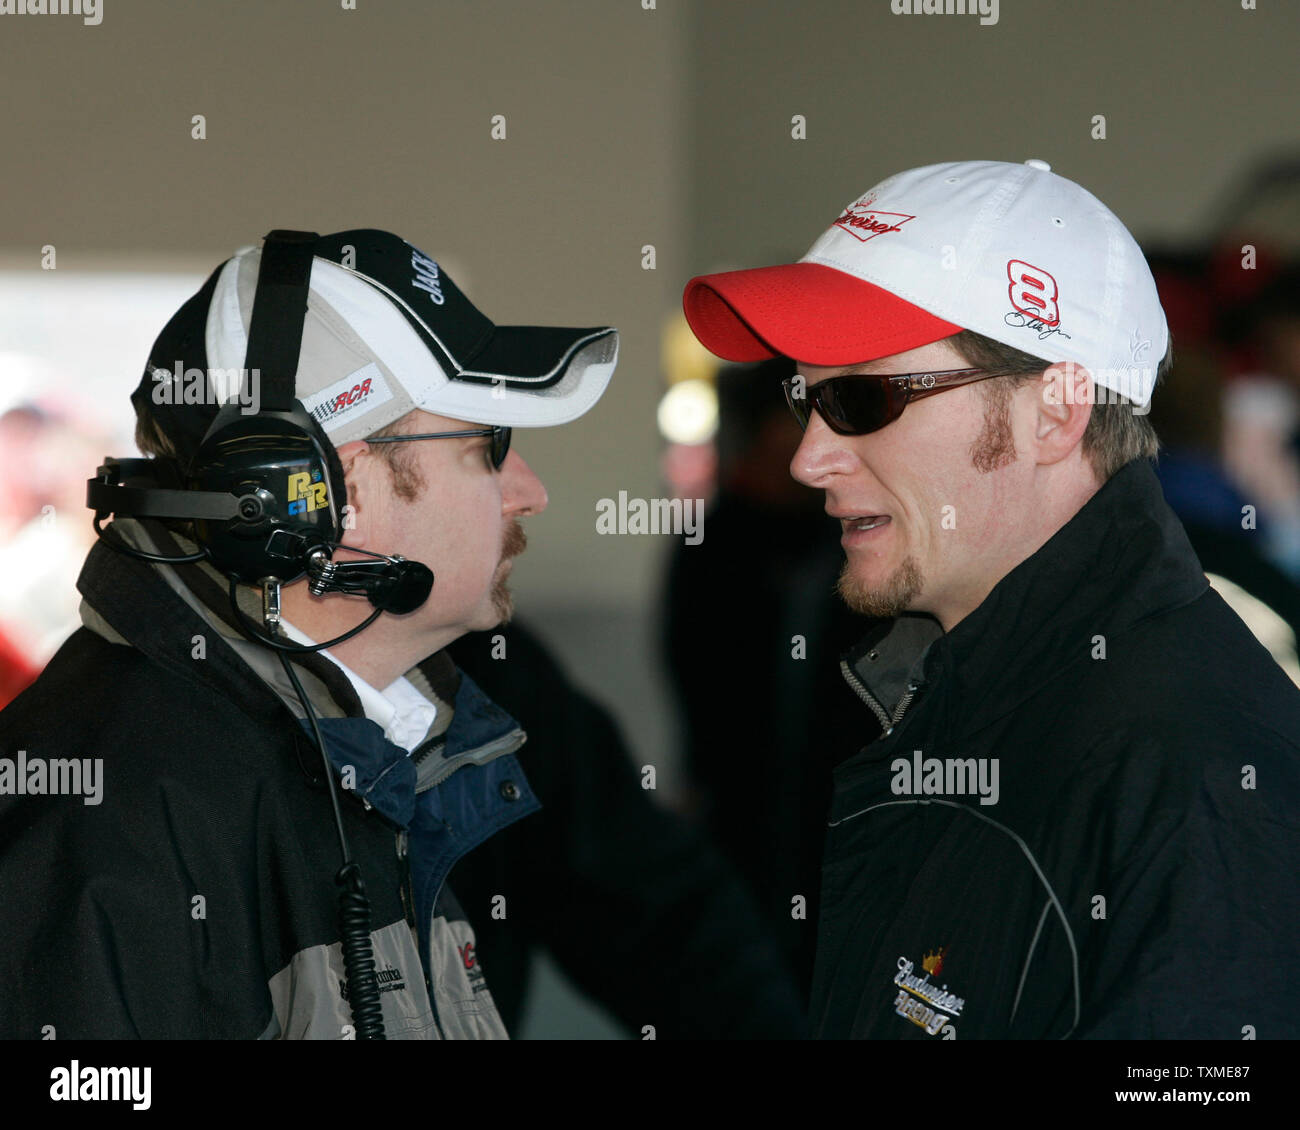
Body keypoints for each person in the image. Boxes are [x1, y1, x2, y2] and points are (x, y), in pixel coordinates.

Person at [681, 160, 1300, 1039]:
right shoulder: (949, 684)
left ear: (1055, 411)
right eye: (805, 396)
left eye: (861, 398)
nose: (806, 457)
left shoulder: (1199, 785)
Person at [0, 228, 620, 1039]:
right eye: (489, 443)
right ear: (320, 495)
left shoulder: (378, 738)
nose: (527, 493)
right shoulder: (110, 822)